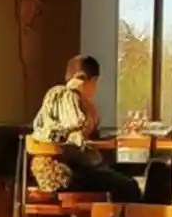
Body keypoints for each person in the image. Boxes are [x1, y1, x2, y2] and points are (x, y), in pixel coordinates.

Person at [30, 55, 140, 203]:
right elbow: (75, 131)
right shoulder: (66, 96)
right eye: (95, 82)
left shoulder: (56, 96)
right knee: (128, 186)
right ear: (89, 80)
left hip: (59, 172)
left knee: (121, 176)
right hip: (66, 174)